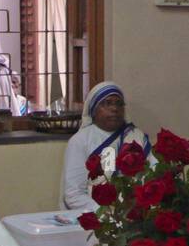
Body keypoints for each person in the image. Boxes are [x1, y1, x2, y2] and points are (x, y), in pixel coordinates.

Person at [61, 81, 152, 211]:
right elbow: (74, 194)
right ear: (94, 109)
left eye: (119, 104)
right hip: (96, 215)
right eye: (107, 103)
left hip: (136, 213)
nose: (114, 109)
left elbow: (154, 175)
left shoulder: (136, 136)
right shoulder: (80, 141)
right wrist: (106, 214)